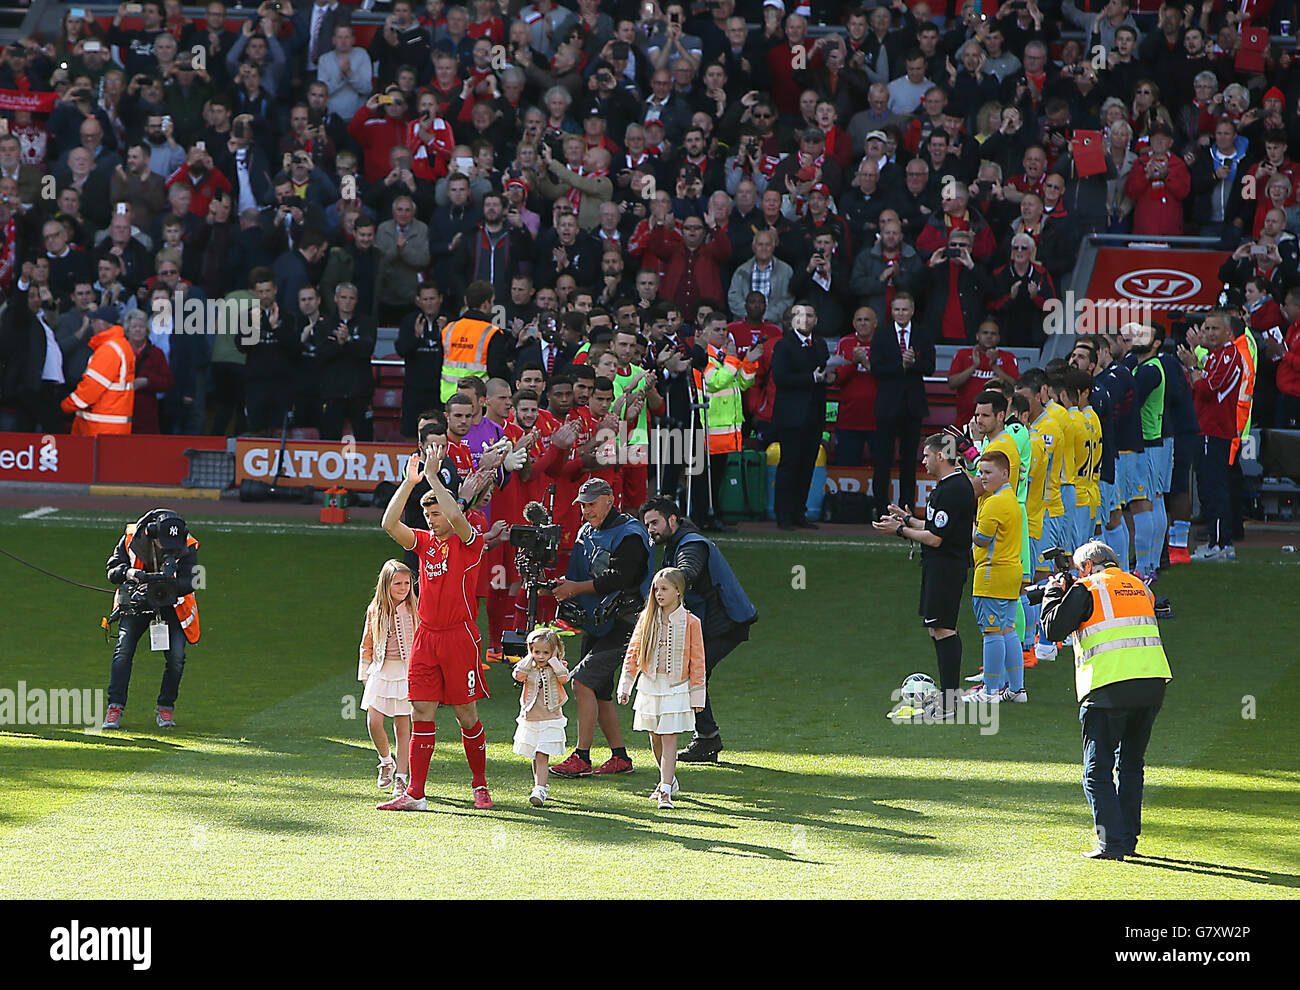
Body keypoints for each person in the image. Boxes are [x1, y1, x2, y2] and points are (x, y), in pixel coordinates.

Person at [1041, 540, 1173, 861]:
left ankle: (1110, 843)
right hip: (1152, 683)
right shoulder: (1140, 586)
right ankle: (1127, 840)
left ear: (1087, 566)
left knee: (1096, 772)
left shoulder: (1088, 587)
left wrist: (1052, 592)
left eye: (1076, 569)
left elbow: (1053, 628)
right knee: (1130, 766)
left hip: (1108, 688)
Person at [378, 450, 494, 812]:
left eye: (435, 513)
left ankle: (480, 784)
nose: (430, 519)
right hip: (426, 638)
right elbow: (388, 524)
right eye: (426, 514)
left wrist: (433, 477)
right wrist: (410, 483)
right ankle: (416, 793)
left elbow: (458, 514)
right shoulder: (425, 543)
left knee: (466, 715)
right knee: (421, 712)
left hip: (459, 637)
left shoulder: (468, 542)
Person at [549, 478, 654, 779]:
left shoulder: (630, 535)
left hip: (626, 623)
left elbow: (619, 579)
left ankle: (582, 756)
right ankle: (620, 757)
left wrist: (574, 589)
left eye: (592, 503)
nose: (586, 510)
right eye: (582, 504)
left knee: (581, 682)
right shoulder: (585, 532)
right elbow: (578, 576)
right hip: (598, 622)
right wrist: (557, 589)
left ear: (610, 499)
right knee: (600, 691)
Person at [640, 497, 758, 762]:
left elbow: (686, 572)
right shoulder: (681, 540)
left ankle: (706, 739)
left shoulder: (691, 543)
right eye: (647, 524)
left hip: (725, 623)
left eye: (655, 522)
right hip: (720, 622)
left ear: (673, 520)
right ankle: (707, 738)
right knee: (694, 676)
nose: (650, 529)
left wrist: (664, 589)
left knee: (693, 676)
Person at [873, 434, 977, 719]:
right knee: (938, 628)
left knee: (944, 629)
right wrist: (906, 520)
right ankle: (948, 698)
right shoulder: (953, 485)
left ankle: (950, 702)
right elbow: (937, 527)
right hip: (943, 566)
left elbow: (934, 538)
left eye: (927, 455)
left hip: (945, 567)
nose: (923, 460)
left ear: (940, 456)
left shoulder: (952, 489)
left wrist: (898, 531)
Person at [101, 509, 201, 731]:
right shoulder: (130, 538)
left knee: (177, 657)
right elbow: (111, 571)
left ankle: (166, 706)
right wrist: (132, 575)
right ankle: (114, 707)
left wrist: (168, 582)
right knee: (123, 650)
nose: (169, 549)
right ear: (151, 534)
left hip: (173, 605)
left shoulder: (188, 544)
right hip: (136, 602)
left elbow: (194, 581)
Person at [616, 568, 705, 810]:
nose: (659, 594)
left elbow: (698, 661)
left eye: (664, 589)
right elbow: (633, 653)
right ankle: (669, 779)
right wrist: (626, 685)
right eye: (656, 589)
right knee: (654, 736)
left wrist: (698, 695)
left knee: (669, 736)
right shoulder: (646, 619)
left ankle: (665, 789)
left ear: (678, 591)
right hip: (650, 685)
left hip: (676, 687)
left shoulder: (691, 622)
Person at [966, 450, 1026, 705]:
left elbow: (981, 539)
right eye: (980, 473)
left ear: (1004, 473)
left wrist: (967, 524)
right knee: (1008, 630)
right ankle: (1017, 689)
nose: (982, 478)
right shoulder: (1010, 498)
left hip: (992, 574)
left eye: (988, 473)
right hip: (1011, 572)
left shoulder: (993, 503)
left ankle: (990, 691)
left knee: (991, 633)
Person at [358, 559, 416, 798]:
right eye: (397, 584)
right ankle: (385, 761)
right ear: (386, 585)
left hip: (405, 673)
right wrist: (365, 675)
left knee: (403, 726)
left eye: (407, 583)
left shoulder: (414, 608)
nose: (403, 588)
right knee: (373, 721)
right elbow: (367, 644)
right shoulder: (375, 610)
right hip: (380, 672)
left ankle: (402, 777)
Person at [512, 627, 571, 808]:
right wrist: (529, 658)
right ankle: (539, 784)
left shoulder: (557, 667)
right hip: (530, 718)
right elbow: (517, 675)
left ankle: (540, 788)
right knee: (534, 753)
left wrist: (554, 659)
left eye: (545, 652)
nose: (541, 656)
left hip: (550, 718)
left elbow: (564, 678)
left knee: (541, 754)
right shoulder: (528, 668)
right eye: (536, 651)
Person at [59, 307, 135, 436]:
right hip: (112, 426)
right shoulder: (122, 345)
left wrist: (65, 406)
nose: (92, 324)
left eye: (94, 320)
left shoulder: (108, 350)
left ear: (104, 323)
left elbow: (90, 390)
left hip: (100, 428)